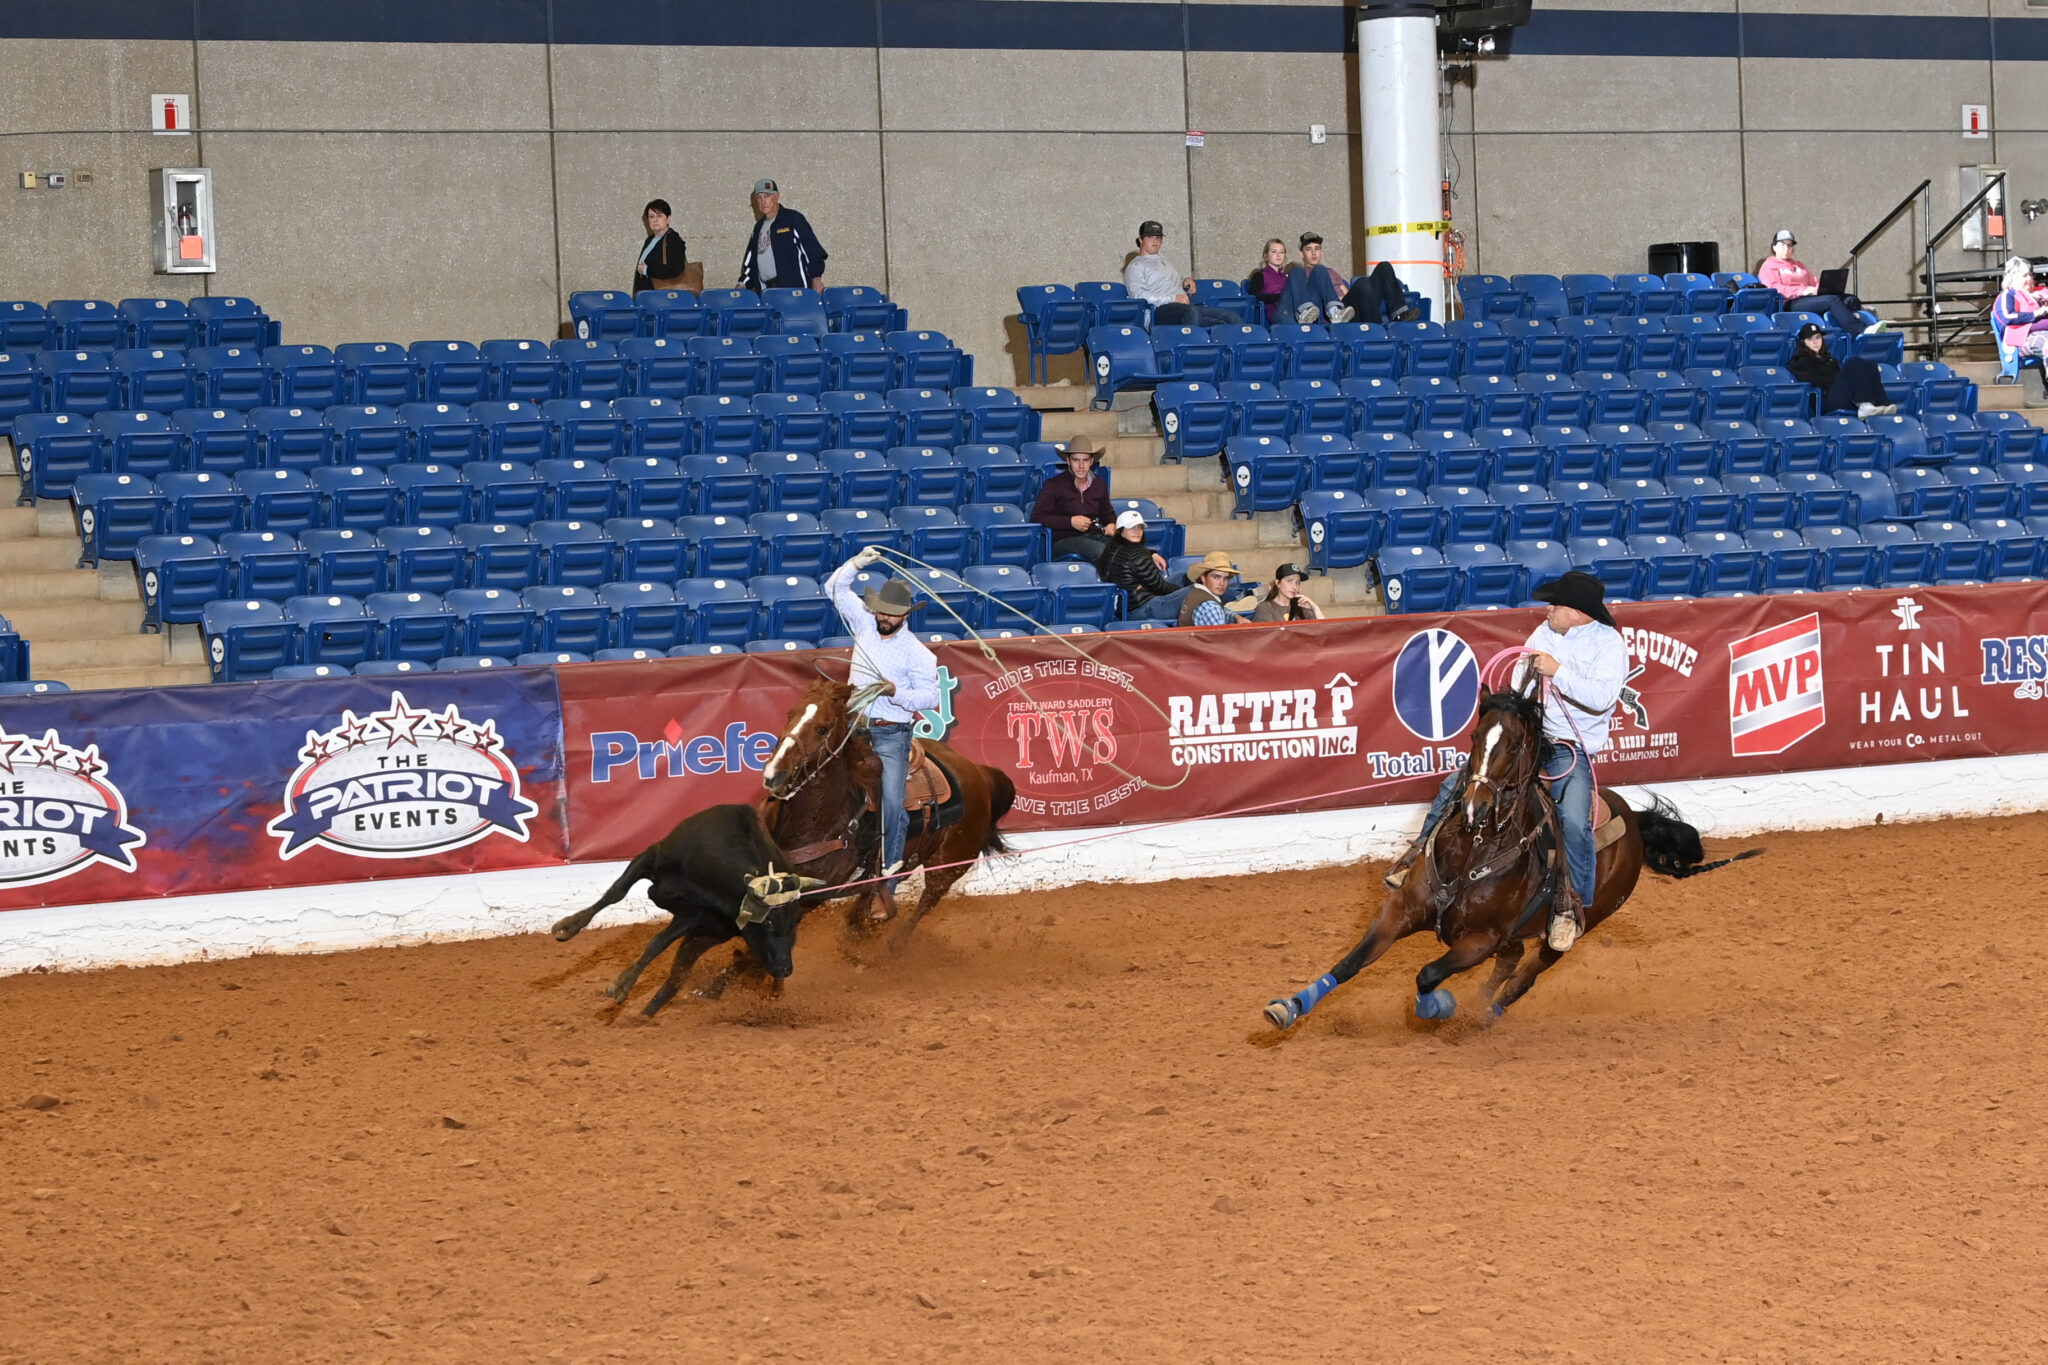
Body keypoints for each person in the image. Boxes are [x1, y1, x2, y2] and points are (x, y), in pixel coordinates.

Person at [1381, 570, 1628, 952]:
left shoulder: (1609, 645)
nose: (1549, 609)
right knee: (1456, 785)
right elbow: (1518, 683)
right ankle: (1415, 857)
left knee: (1575, 819)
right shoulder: (1544, 634)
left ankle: (1570, 905)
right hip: (1531, 738)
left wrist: (1557, 672)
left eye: (1557, 604)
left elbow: (1601, 698)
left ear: (1579, 613)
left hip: (1569, 746)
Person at [827, 549, 941, 918]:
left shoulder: (918, 654)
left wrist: (895, 692)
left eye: (891, 614)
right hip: (853, 728)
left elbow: (930, 697)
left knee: (892, 806)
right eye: (881, 611)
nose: (884, 618)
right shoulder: (863, 623)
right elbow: (833, 587)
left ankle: (884, 885)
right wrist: (859, 562)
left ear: (906, 616)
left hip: (890, 735)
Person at [1758, 228, 1873, 337]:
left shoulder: (1798, 265)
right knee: (1831, 301)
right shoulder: (1769, 265)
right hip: (1791, 302)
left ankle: (1847, 336)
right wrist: (1802, 291)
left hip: (1810, 298)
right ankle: (1861, 331)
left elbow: (1814, 282)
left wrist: (1822, 289)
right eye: (1782, 244)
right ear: (1774, 247)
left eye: (1790, 245)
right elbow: (1774, 288)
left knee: (1851, 299)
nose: (1786, 248)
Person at [1123, 221, 1238, 327]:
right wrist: (1173, 298)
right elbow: (1138, 296)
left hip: (1182, 308)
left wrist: (1185, 281)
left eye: (1158, 237)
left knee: (1230, 317)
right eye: (1149, 237)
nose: (1155, 241)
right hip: (1157, 312)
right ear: (1140, 239)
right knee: (1191, 313)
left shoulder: (1163, 261)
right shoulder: (1136, 266)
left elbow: (1170, 282)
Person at [1028, 438, 1115, 564]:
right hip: (1063, 540)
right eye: (1076, 460)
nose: (1081, 466)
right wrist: (1070, 522)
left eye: (1085, 460)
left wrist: (1112, 524)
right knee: (1100, 551)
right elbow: (1037, 518)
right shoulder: (1053, 485)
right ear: (1068, 461)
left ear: (1091, 462)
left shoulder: (1099, 484)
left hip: (1094, 536)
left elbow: (1108, 513)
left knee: (1124, 549)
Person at [1787, 322, 1895, 418]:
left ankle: (1883, 403)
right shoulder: (1799, 360)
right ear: (1803, 342)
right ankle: (1864, 405)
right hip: (1824, 400)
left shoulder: (1828, 359)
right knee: (1853, 362)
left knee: (1869, 364)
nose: (1815, 342)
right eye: (1810, 339)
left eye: (1818, 337)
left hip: (1838, 395)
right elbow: (1814, 382)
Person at [739, 179, 827, 291]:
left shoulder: (793, 219)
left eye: (767, 196)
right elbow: (750, 261)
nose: (763, 201)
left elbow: (812, 250)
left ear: (776, 197)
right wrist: (742, 284)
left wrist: (816, 277)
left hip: (796, 291)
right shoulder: (758, 228)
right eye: (759, 198)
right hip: (766, 292)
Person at [1099, 510, 1186, 620]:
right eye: (1132, 527)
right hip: (1141, 609)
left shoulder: (1113, 547)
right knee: (1197, 591)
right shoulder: (1137, 554)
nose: (1137, 531)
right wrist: (1182, 592)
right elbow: (1160, 587)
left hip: (1128, 605)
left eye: (1140, 527)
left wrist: (1153, 554)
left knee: (1182, 577)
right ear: (1120, 530)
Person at [1992, 255, 2048, 403]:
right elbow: (2007, 317)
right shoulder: (2008, 296)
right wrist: (2035, 314)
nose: (2029, 279)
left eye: (2030, 274)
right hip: (2024, 339)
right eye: (2024, 275)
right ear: (2012, 278)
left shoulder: (2042, 292)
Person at [1278, 232, 1356, 325]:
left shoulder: (1331, 272)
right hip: (1311, 308)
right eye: (1308, 249)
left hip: (1333, 309)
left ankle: (1335, 312)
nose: (1314, 253)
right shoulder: (1298, 274)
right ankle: (1304, 312)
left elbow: (1346, 293)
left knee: (1321, 269)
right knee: (1302, 270)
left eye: (1317, 249)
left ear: (1321, 252)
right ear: (1301, 254)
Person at [632, 199, 688, 295]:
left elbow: (676, 269)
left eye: (659, 216)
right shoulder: (650, 240)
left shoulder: (673, 239)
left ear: (668, 218)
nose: (655, 220)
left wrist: (647, 270)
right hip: (646, 295)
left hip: (662, 297)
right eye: (651, 216)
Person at [1176, 550, 1245, 627]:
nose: (1222, 583)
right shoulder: (1211, 607)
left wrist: (1236, 617)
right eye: (1216, 577)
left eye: (1226, 578)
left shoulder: (1196, 593)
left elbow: (1222, 610)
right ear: (1203, 578)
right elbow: (1221, 637)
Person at [1251, 562, 1324, 622]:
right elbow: (1272, 636)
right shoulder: (1265, 608)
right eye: (1289, 581)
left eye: (1297, 582)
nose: (1294, 587)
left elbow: (1325, 630)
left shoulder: (1301, 608)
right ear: (1277, 583)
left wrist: (1315, 608)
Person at [1246, 239, 1291, 324]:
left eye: (1282, 252)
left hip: (1292, 309)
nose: (1278, 255)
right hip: (1277, 311)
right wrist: (1281, 297)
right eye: (1274, 252)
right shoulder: (1260, 275)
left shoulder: (1288, 276)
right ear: (1266, 255)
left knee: (1298, 272)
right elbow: (1254, 297)